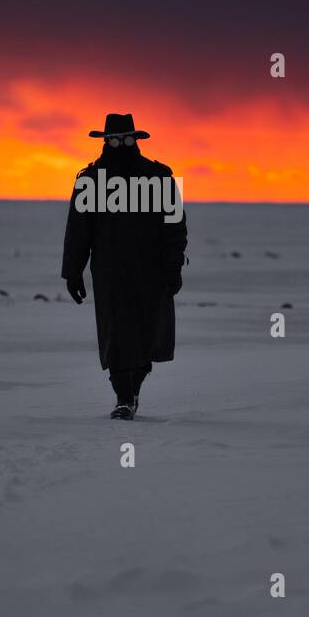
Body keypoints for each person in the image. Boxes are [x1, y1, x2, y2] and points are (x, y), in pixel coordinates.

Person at [61, 113, 188, 419]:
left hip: (151, 271)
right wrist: (73, 271)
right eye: (115, 140)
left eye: (127, 139)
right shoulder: (90, 180)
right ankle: (123, 398)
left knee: (147, 336)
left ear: (136, 141)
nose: (121, 145)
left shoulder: (158, 178)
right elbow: (78, 230)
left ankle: (132, 391)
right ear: (105, 142)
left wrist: (173, 267)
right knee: (115, 336)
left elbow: (175, 226)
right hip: (109, 274)